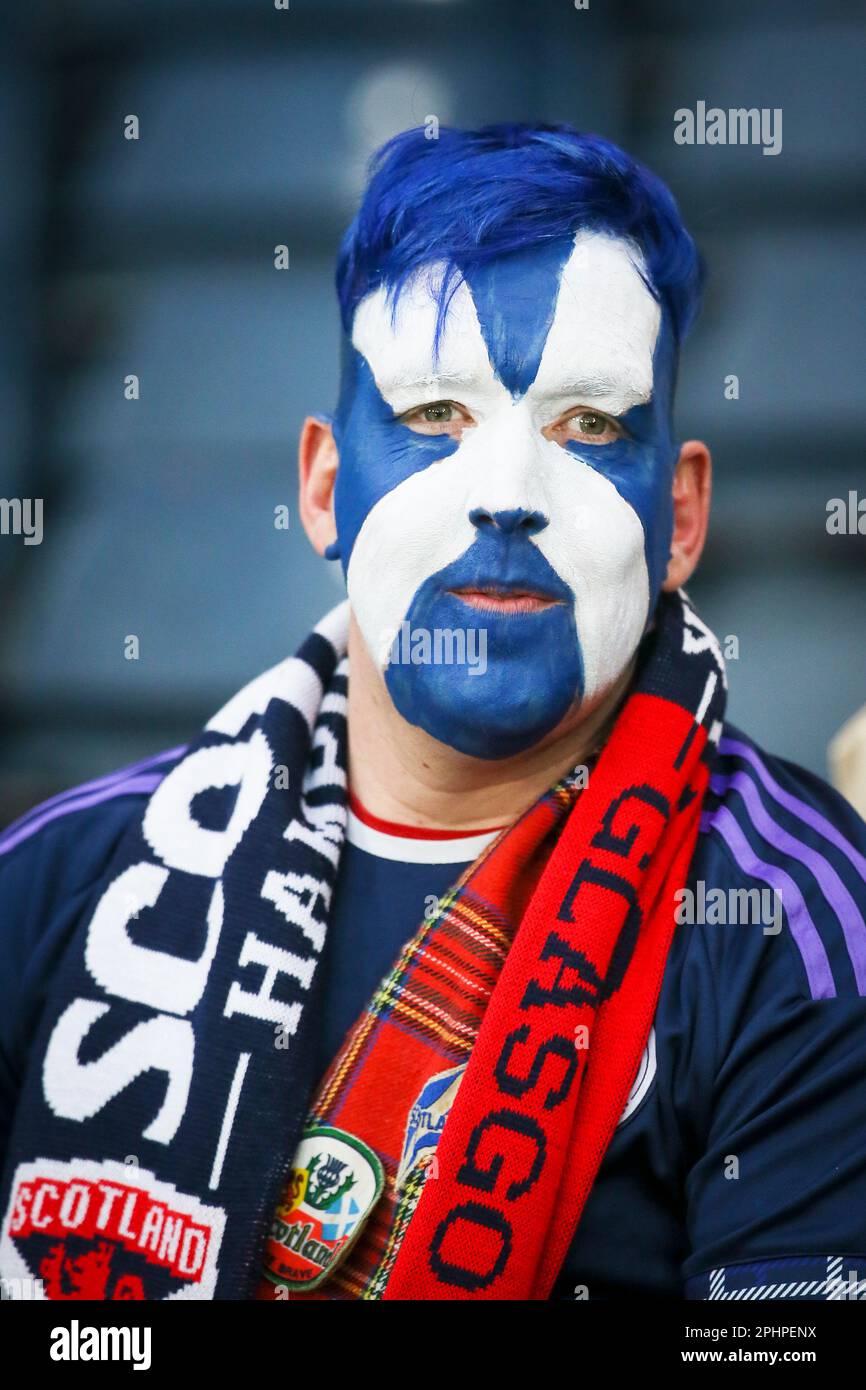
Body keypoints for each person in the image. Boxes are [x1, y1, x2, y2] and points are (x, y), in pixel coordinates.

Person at [1, 123, 865, 1303]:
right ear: (321, 490)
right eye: (432, 416)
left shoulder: (797, 939)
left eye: (588, 425)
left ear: (678, 516)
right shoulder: (54, 887)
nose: (505, 495)